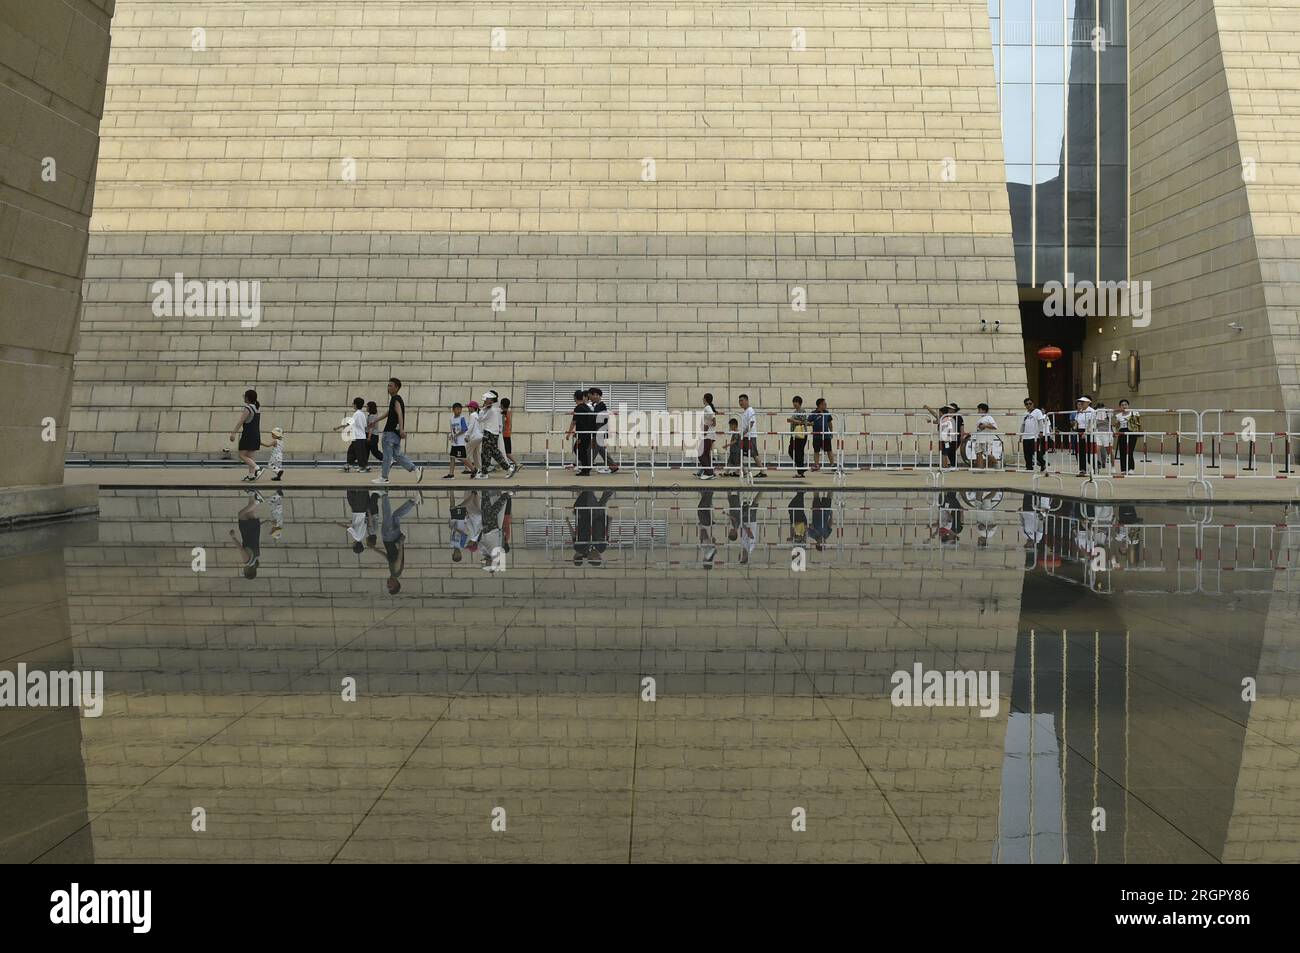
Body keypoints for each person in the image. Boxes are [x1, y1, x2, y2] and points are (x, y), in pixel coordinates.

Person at [371, 378, 423, 485]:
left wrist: (402, 429)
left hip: (390, 432)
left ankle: (384, 478)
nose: (388, 388)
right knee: (397, 455)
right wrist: (376, 420)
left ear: (396, 387)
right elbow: (389, 413)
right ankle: (416, 469)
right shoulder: (395, 400)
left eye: (391, 386)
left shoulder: (395, 399)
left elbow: (399, 414)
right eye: (388, 385)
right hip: (395, 434)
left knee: (387, 456)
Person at [380, 490, 421, 593]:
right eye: (390, 586)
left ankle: (413, 502)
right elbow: (398, 559)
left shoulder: (393, 571)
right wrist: (401, 544)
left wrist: (374, 549)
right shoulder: (396, 573)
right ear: (396, 584)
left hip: (394, 537)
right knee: (387, 515)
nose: (387, 584)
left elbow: (388, 556)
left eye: (387, 586)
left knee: (395, 516)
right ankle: (384, 493)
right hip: (389, 538)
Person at [475, 390, 516, 479]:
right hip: (493, 433)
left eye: (487, 399)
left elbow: (480, 419)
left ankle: (485, 473)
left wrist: (483, 409)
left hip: (489, 433)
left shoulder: (491, 410)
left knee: (487, 453)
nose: (485, 401)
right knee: (492, 452)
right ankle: (507, 468)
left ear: (491, 400)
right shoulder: (495, 409)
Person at [229, 389, 265, 481]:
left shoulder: (248, 408)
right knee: (250, 456)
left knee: (241, 455)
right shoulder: (257, 408)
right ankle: (251, 476)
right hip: (256, 434)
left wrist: (233, 433)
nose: (243, 398)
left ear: (247, 398)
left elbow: (241, 421)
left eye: (244, 396)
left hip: (248, 434)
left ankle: (258, 468)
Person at [229, 491, 262, 577]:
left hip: (255, 531)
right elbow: (240, 548)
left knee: (249, 512)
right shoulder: (248, 561)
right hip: (247, 532)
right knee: (241, 514)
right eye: (244, 572)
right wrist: (233, 537)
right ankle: (258, 501)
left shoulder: (256, 557)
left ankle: (251, 493)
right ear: (247, 571)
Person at [587, 388, 619, 474]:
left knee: (598, 448)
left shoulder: (601, 405)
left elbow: (600, 418)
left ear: (596, 395)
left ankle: (612, 466)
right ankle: (586, 465)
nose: (589, 398)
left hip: (600, 429)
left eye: (590, 396)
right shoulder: (597, 405)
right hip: (598, 429)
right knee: (593, 448)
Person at [566, 390, 594, 476]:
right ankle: (585, 468)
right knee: (581, 450)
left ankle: (586, 468)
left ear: (575, 398)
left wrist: (569, 433)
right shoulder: (586, 407)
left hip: (583, 433)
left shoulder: (578, 408)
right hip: (587, 432)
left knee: (578, 449)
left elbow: (574, 421)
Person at [737, 394, 766, 477]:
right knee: (740, 453)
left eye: (742, 400)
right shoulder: (745, 411)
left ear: (747, 400)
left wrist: (744, 432)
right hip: (745, 436)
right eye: (739, 401)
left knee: (754, 454)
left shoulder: (750, 410)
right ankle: (743, 471)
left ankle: (762, 471)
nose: (740, 402)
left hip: (750, 436)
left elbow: (751, 423)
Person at [340, 397, 369, 472]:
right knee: (353, 451)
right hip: (362, 436)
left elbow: (349, 423)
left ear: (355, 405)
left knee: (358, 452)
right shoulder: (362, 414)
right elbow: (365, 425)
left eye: (353, 403)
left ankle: (363, 466)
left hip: (357, 437)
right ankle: (348, 464)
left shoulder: (356, 414)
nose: (352, 405)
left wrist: (339, 427)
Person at [1020, 398, 1047, 473]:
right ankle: (1029, 467)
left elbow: (1040, 422)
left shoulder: (1037, 411)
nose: (1028, 405)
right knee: (1027, 453)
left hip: (1034, 436)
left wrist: (1041, 432)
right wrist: (1020, 434)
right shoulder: (1025, 414)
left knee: (1035, 452)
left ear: (1033, 404)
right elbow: (1022, 425)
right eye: (1026, 404)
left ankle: (1042, 463)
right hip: (1026, 436)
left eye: (1030, 403)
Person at [787, 396, 810, 477]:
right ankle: (801, 467)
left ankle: (800, 471)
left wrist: (793, 420)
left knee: (799, 452)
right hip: (794, 435)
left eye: (795, 402)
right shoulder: (795, 411)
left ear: (799, 403)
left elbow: (804, 422)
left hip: (801, 434)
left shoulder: (802, 411)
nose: (794, 404)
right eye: (793, 402)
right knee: (791, 451)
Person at [446, 402, 470, 478]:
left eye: (460, 409)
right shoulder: (451, 419)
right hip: (454, 442)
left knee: (461, 458)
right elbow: (452, 429)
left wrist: (456, 435)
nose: (459, 411)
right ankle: (451, 474)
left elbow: (464, 429)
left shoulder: (462, 418)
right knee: (452, 457)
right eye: (457, 409)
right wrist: (451, 435)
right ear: (453, 410)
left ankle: (473, 469)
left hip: (460, 442)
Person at [697, 393, 718, 480]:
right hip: (709, 435)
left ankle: (708, 473)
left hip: (707, 435)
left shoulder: (707, 407)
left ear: (705, 399)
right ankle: (710, 472)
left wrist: (705, 428)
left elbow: (713, 420)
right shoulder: (709, 407)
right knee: (706, 454)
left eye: (703, 398)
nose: (702, 399)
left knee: (701, 454)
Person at [1073, 396, 1096, 476]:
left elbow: (1090, 423)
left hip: (1089, 431)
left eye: (1083, 402)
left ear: (1088, 403)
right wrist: (1075, 427)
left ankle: (1094, 468)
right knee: (1080, 451)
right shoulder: (1080, 411)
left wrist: (1086, 432)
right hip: (1080, 431)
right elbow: (1076, 421)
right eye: (1080, 402)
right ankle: (1082, 469)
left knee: (1090, 451)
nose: (1081, 404)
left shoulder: (1092, 411)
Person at [810, 398, 835, 471]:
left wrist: (831, 432)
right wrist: (810, 423)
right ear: (820, 405)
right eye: (824, 404)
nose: (825, 405)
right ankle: (816, 465)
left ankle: (832, 465)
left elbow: (829, 423)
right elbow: (808, 422)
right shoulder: (814, 413)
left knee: (829, 450)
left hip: (826, 435)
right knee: (816, 450)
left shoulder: (827, 413)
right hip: (816, 435)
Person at [1115, 399, 1138, 473]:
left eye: (1125, 404)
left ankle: (1131, 468)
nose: (1124, 406)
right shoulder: (1118, 416)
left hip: (1131, 432)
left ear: (1128, 405)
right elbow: (1116, 426)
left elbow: (1137, 423)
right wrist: (1116, 424)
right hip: (1122, 432)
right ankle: (1123, 469)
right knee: (1122, 450)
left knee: (1130, 450)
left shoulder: (1134, 413)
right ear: (1120, 407)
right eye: (1122, 405)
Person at [973, 402, 999, 469]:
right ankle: (980, 468)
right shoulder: (980, 419)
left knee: (987, 453)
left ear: (984, 410)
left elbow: (995, 426)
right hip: (979, 438)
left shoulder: (989, 417)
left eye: (979, 409)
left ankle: (996, 462)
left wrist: (985, 425)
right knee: (978, 453)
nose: (978, 411)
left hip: (986, 438)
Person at [499, 397, 520, 469]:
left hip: (504, 435)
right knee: (503, 451)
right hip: (507, 434)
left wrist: (501, 432)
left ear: (502, 405)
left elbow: (503, 425)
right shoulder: (509, 412)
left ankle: (517, 463)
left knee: (507, 452)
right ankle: (500, 465)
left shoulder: (503, 414)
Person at [465, 400, 484, 474]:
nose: (468, 408)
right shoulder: (477, 415)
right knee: (476, 454)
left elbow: (471, 426)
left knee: (466, 453)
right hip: (479, 436)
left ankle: (470, 469)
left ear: (473, 408)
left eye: (469, 407)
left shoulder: (472, 415)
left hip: (474, 437)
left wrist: (467, 435)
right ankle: (480, 469)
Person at [365, 401, 384, 467]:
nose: (366, 407)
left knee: (374, 451)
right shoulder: (371, 415)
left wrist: (369, 437)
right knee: (366, 450)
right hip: (371, 435)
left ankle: (387, 460)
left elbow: (371, 428)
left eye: (367, 406)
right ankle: (364, 464)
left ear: (370, 407)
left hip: (372, 435)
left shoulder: (372, 416)